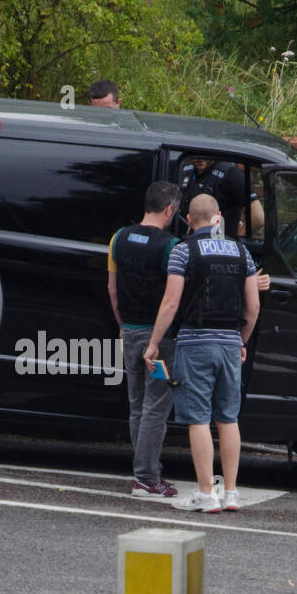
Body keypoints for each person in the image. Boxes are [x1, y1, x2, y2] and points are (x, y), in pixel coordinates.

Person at [144, 193, 260, 513]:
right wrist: (241, 341)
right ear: (218, 217)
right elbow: (253, 306)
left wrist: (154, 342)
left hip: (194, 344)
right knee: (228, 417)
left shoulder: (183, 252)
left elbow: (170, 303)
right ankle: (233, 492)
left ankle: (207, 493)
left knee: (198, 419)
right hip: (228, 345)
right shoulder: (242, 252)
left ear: (189, 221)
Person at [108, 181, 181, 497]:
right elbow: (172, 298)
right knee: (156, 407)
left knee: (137, 405)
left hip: (130, 332)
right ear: (169, 209)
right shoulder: (171, 246)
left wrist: (123, 324)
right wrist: (159, 337)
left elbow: (112, 289)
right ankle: (147, 479)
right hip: (159, 342)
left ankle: (144, 474)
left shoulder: (118, 238)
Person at [179, 158, 246, 242]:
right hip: (189, 241)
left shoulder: (231, 173)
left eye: (204, 154)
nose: (199, 158)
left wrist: (234, 241)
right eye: (197, 154)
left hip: (222, 244)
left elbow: (258, 217)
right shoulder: (184, 169)